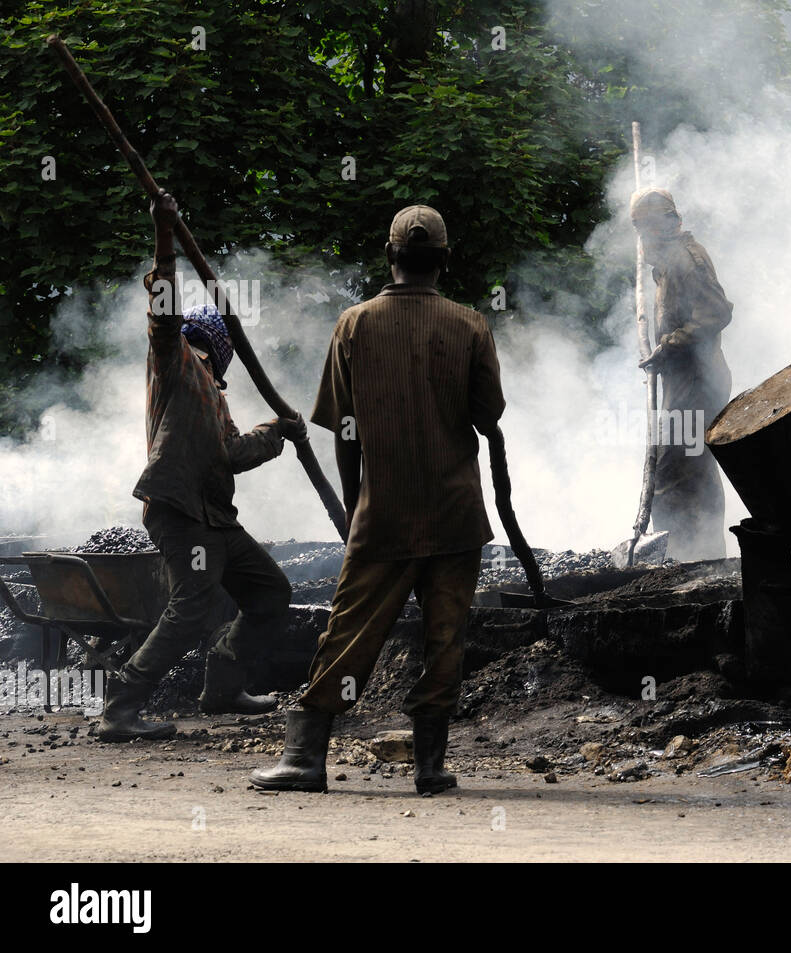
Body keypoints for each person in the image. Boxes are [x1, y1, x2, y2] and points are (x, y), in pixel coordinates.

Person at [252, 205, 506, 795]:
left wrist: (354, 507)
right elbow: (487, 415)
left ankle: (306, 759)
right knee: (445, 637)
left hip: (383, 513)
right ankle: (430, 768)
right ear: (443, 259)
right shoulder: (470, 325)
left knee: (349, 632)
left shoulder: (354, 324)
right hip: (455, 514)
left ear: (390, 256)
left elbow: (345, 431)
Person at [100, 191, 306, 743]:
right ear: (215, 345)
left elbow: (232, 455)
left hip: (214, 516)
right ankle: (121, 706)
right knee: (192, 606)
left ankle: (221, 687)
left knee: (268, 592)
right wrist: (165, 233)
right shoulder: (174, 361)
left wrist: (276, 432)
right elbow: (163, 308)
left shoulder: (213, 395)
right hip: (180, 510)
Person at [631, 187, 733, 561]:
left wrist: (671, 344)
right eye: (639, 229)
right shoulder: (666, 266)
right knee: (693, 469)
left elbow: (716, 312)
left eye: (648, 227)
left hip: (697, 385)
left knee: (673, 470)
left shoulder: (687, 260)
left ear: (670, 223)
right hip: (686, 383)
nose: (643, 237)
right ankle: (699, 557)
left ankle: (681, 559)